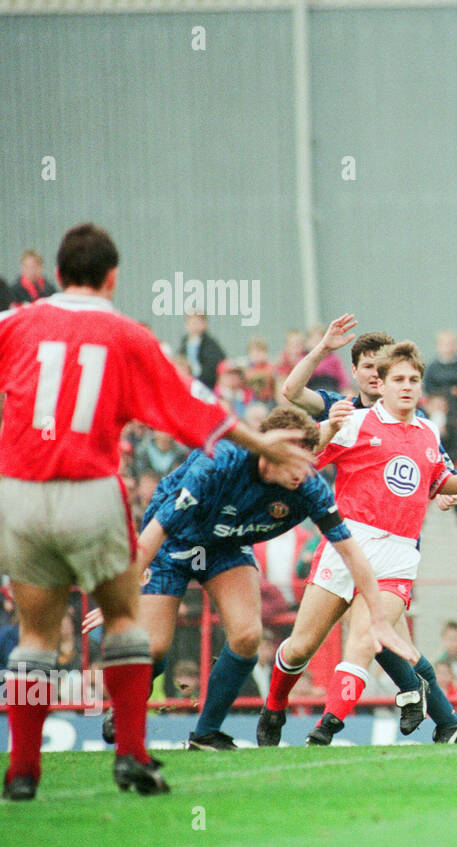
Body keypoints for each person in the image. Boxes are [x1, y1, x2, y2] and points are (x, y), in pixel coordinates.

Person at [0, 222, 314, 800]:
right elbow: (197, 410)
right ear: (113, 277)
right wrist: (267, 444)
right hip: (92, 490)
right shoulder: (126, 335)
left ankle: (22, 772)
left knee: (33, 637)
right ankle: (132, 758)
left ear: (54, 274)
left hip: (20, 492)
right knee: (125, 625)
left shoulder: (15, 323)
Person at [93, 407, 410, 751]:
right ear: (268, 451)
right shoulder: (218, 461)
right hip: (173, 541)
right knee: (154, 645)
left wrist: (379, 617)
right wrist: (121, 594)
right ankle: (124, 703)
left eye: (308, 458)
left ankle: (205, 734)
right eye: (293, 458)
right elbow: (158, 529)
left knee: (248, 635)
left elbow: (351, 552)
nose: (303, 470)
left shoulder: (309, 486)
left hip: (226, 545)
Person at [255, 342, 457, 747]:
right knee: (302, 646)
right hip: (347, 545)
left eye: (413, 380)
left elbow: (439, 478)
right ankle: (274, 707)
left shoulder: (428, 430)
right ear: (381, 385)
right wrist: (327, 430)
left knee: (366, 639)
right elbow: (308, 455)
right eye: (398, 380)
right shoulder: (352, 420)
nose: (406, 387)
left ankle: (327, 728)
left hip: (398, 554)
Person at [281, 314, 457, 733]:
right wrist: (322, 348)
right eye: (366, 366)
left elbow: (437, 470)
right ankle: (444, 717)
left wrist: (448, 491)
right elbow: (290, 392)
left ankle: (424, 710)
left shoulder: (412, 420)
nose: (376, 376)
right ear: (360, 372)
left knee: (373, 631)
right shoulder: (342, 409)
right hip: (349, 534)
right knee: (377, 634)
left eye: (381, 367)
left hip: (394, 543)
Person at [179, 310, 226, 390]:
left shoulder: (211, 345)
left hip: (206, 385)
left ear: (205, 324)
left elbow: (215, 367)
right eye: (192, 323)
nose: (195, 326)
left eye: (198, 322)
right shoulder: (184, 344)